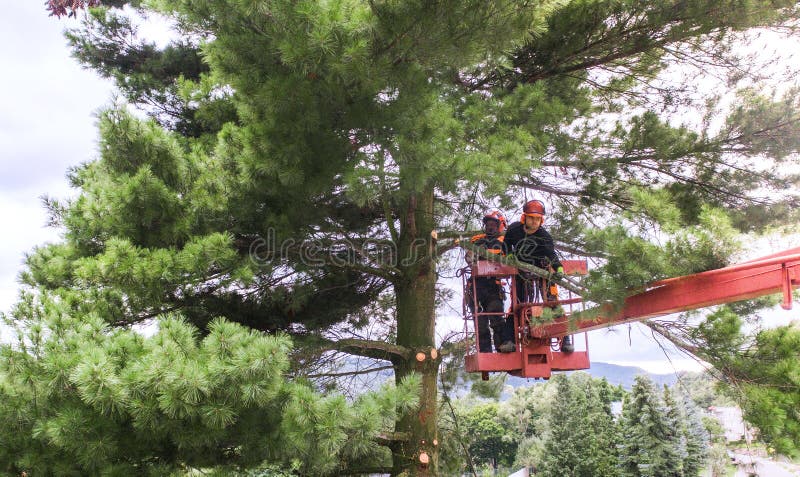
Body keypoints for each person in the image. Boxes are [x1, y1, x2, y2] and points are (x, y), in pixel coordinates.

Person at [503, 199, 573, 352]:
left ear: (541, 220)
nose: (534, 222)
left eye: (537, 219)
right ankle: (509, 340)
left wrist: (559, 268)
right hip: (521, 272)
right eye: (531, 218)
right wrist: (508, 255)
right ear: (524, 218)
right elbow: (506, 244)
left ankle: (565, 340)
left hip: (543, 272)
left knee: (553, 303)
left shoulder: (544, 236)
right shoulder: (514, 230)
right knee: (518, 304)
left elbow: (551, 255)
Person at [466, 210, 516, 353]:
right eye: (488, 224)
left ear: (501, 226)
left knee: (496, 318)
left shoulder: (505, 242)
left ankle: (502, 349)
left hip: (494, 285)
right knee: (480, 322)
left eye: (494, 224)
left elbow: (508, 262)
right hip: (476, 285)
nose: (490, 227)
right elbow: (469, 258)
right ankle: (485, 352)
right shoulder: (476, 239)